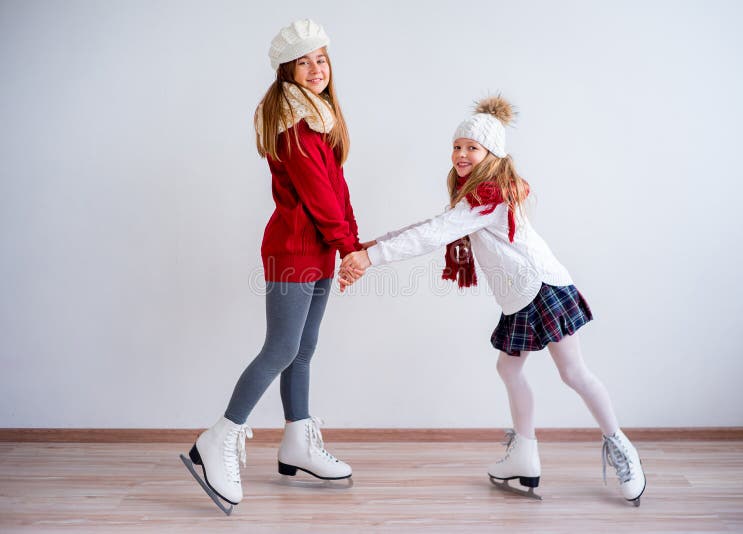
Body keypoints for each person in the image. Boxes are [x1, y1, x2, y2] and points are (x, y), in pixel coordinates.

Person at [339, 96, 646, 506]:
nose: (462, 154)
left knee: (573, 373)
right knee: (509, 368)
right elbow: (436, 226)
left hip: (542, 289)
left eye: (473, 147)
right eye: (458, 146)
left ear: (492, 154)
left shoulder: (490, 193)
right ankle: (524, 454)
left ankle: (620, 446)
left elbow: (436, 234)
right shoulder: (475, 197)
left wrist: (371, 257)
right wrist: (375, 243)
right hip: (520, 296)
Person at [182, 19, 359, 514]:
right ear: (286, 69)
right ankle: (219, 437)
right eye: (303, 61)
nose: (315, 68)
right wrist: (349, 244)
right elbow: (319, 195)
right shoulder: (290, 120)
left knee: (303, 350)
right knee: (281, 348)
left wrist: (351, 242)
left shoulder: (321, 117)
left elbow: (338, 188)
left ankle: (298, 443)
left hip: (320, 248)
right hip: (295, 249)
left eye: (320, 58)